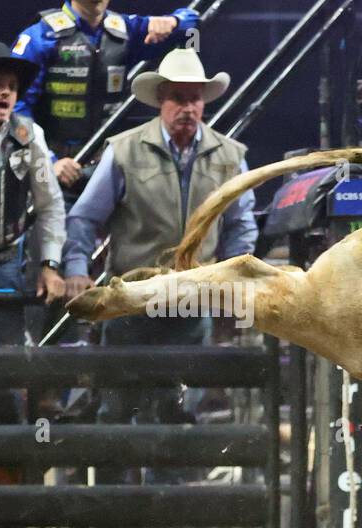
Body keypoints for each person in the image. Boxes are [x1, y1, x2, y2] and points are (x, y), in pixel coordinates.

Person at [61, 49, 255, 484]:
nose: (187, 107)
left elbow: (242, 225)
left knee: (178, 408)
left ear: (205, 102)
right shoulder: (125, 151)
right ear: (161, 100)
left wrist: (231, 278)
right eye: (177, 98)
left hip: (193, 304)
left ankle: (162, 523)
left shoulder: (229, 156)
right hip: (129, 303)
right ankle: (115, 521)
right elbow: (85, 218)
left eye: (194, 98)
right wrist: (77, 268)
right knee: (117, 407)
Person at [10, 0, 199, 193]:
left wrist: (173, 21)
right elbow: (15, 109)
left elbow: (192, 22)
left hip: (111, 166)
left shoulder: (126, 29)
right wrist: (47, 161)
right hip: (57, 170)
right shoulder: (40, 36)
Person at [0, 41, 66, 422]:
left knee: (6, 367)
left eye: (10, 86)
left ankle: (8, 464)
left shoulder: (28, 135)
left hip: (5, 261)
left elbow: (51, 203)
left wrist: (50, 264)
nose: (3, 92)